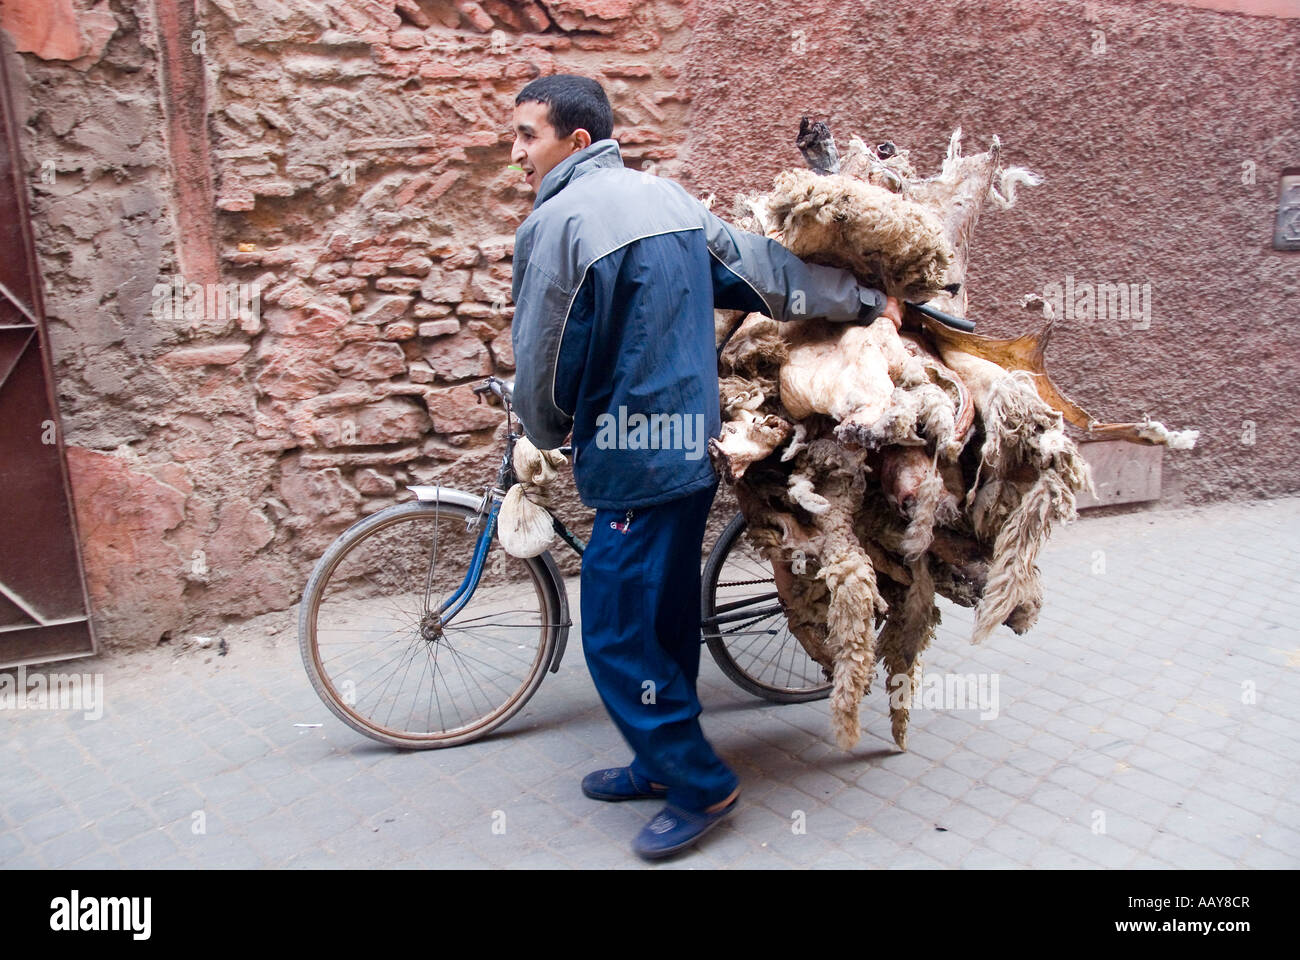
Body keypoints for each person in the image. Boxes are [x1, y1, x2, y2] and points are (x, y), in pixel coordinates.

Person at [507, 74, 900, 860]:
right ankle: (658, 762)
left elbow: (545, 359)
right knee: (663, 615)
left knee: (618, 632)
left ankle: (699, 781)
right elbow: (767, 274)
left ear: (576, 142)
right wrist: (864, 300)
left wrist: (543, 425)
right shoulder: (669, 199)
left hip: (633, 460)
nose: (515, 152)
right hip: (688, 448)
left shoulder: (557, 224)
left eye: (526, 135)